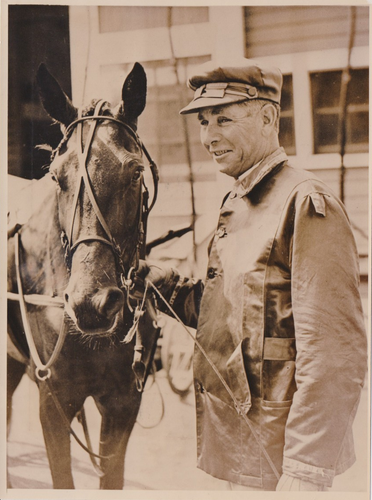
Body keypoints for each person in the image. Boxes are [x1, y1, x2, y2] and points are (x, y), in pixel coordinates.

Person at [132, 58, 367, 491]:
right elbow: (232, 316)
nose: (209, 137)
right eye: (204, 122)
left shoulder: (305, 203)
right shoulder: (237, 201)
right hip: (240, 447)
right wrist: (163, 284)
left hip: (283, 457)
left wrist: (307, 468)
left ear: (267, 117)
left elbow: (336, 351)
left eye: (223, 119)